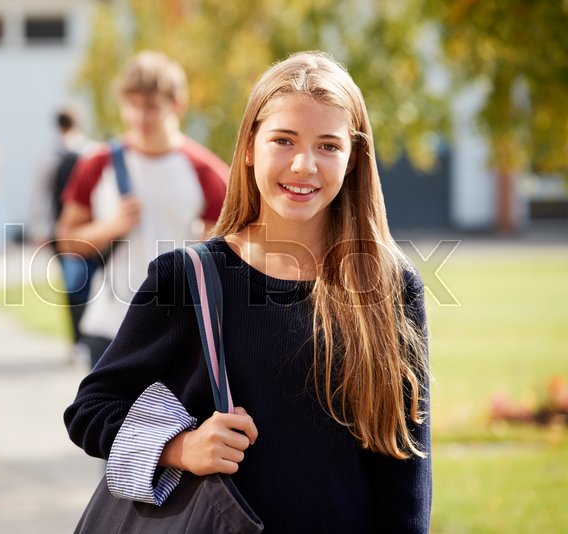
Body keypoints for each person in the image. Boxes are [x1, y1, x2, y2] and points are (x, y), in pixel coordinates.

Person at [64, 51, 432, 532]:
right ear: (249, 147)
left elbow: (404, 469)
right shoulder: (187, 277)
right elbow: (91, 410)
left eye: (328, 145)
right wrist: (180, 448)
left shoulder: (389, 284)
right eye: (284, 140)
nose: (304, 165)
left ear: (354, 158)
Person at [55, 50, 229, 368]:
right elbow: (67, 242)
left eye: (151, 107)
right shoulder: (98, 163)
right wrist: (113, 225)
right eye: (132, 106)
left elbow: (229, 253)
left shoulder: (206, 171)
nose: (140, 117)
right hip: (109, 326)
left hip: (178, 328)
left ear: (177, 105)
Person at [28, 107, 97, 346]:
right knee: (92, 284)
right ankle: (86, 337)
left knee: (72, 286)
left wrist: (40, 228)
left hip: (62, 231)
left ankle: (77, 339)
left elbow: (40, 195)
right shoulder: (92, 152)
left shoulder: (48, 156)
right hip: (92, 231)